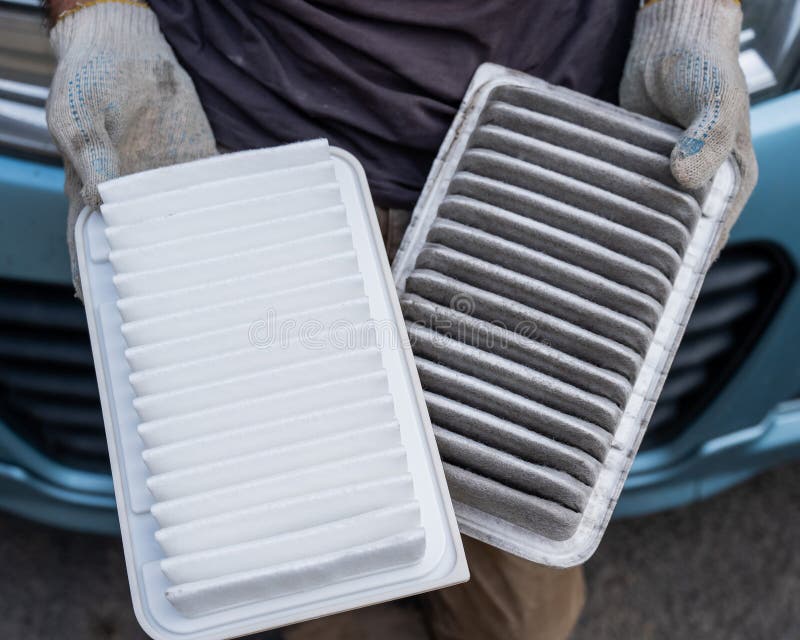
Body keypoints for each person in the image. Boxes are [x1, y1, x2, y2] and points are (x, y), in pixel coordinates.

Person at [44, 1, 757, 638]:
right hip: (256, 172)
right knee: (312, 571)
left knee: (520, 607)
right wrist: (103, 19)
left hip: (538, 175)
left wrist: (687, 17)